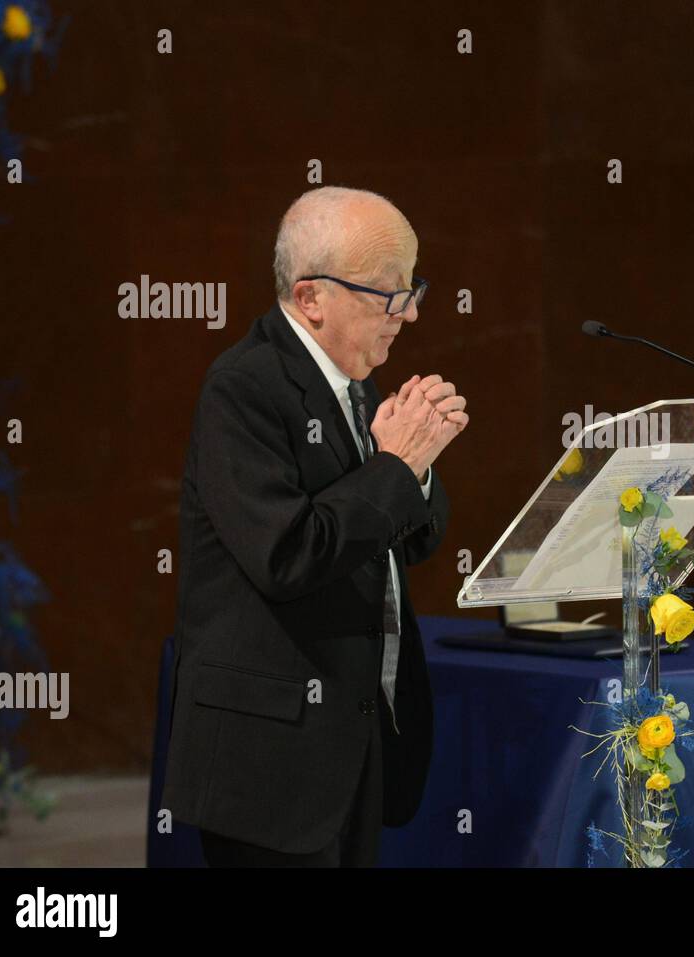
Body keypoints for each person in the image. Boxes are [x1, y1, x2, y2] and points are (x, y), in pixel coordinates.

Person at [160, 186, 468, 866]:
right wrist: (397, 462)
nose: (409, 312)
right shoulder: (242, 388)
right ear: (311, 298)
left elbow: (414, 538)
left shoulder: (353, 382)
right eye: (389, 294)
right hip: (270, 758)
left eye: (413, 287)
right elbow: (290, 555)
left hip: (351, 741)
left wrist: (413, 470)